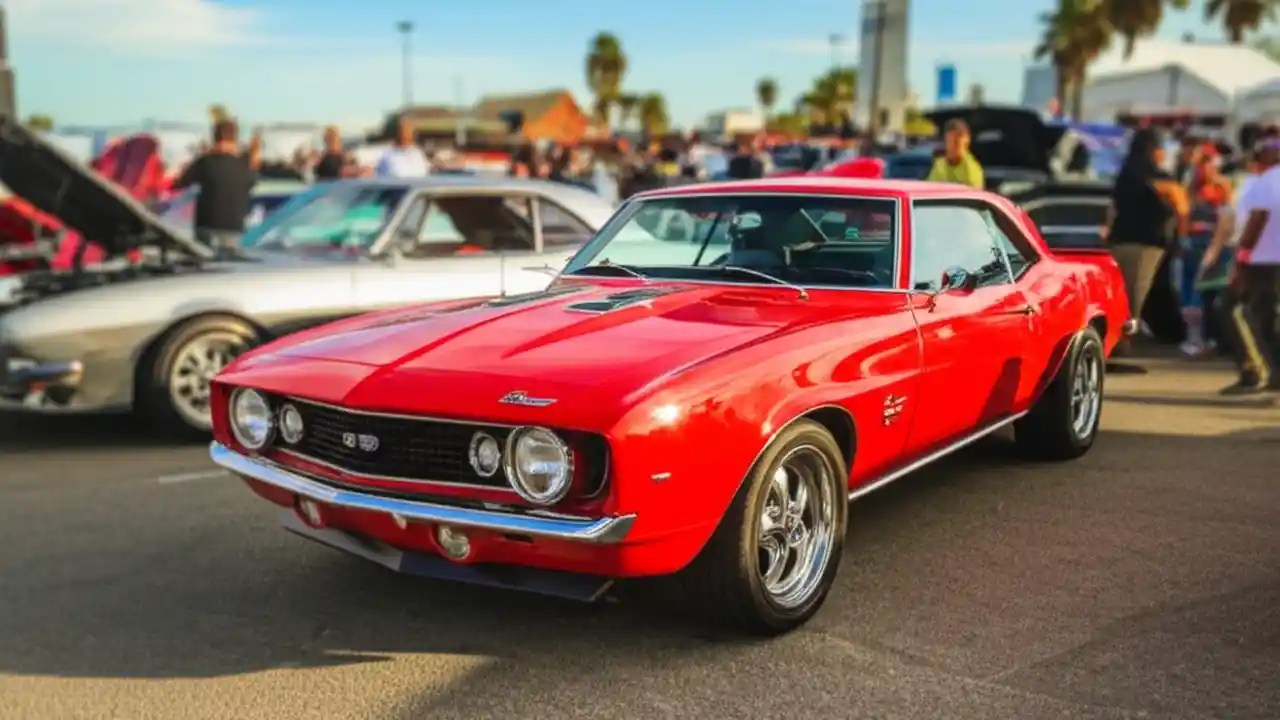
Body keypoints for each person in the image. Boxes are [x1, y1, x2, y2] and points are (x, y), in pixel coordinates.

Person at [1104, 128, 1186, 340]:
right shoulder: (1157, 178)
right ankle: (1123, 343)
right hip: (1146, 244)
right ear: (1152, 150)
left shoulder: (1125, 175)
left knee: (1133, 294)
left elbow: (1113, 210)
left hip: (1122, 240)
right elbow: (1180, 206)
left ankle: (1135, 338)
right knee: (1134, 297)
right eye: (1161, 149)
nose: (1163, 154)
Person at [1217, 137, 1280, 394]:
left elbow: (1257, 221)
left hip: (1261, 262)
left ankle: (1253, 371)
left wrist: (1240, 259)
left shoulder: (1264, 183)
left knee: (1231, 309)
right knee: (1267, 318)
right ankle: (1268, 375)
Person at [172, 119, 258, 252]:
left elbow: (180, 183)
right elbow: (252, 182)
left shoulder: (205, 162)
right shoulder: (244, 165)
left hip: (206, 226)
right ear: (235, 138)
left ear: (214, 137)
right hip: (234, 228)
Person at [926, 118, 984, 189]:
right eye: (951, 140)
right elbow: (930, 190)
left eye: (958, 141)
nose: (954, 144)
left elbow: (972, 196)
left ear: (967, 142)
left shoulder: (972, 169)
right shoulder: (939, 165)